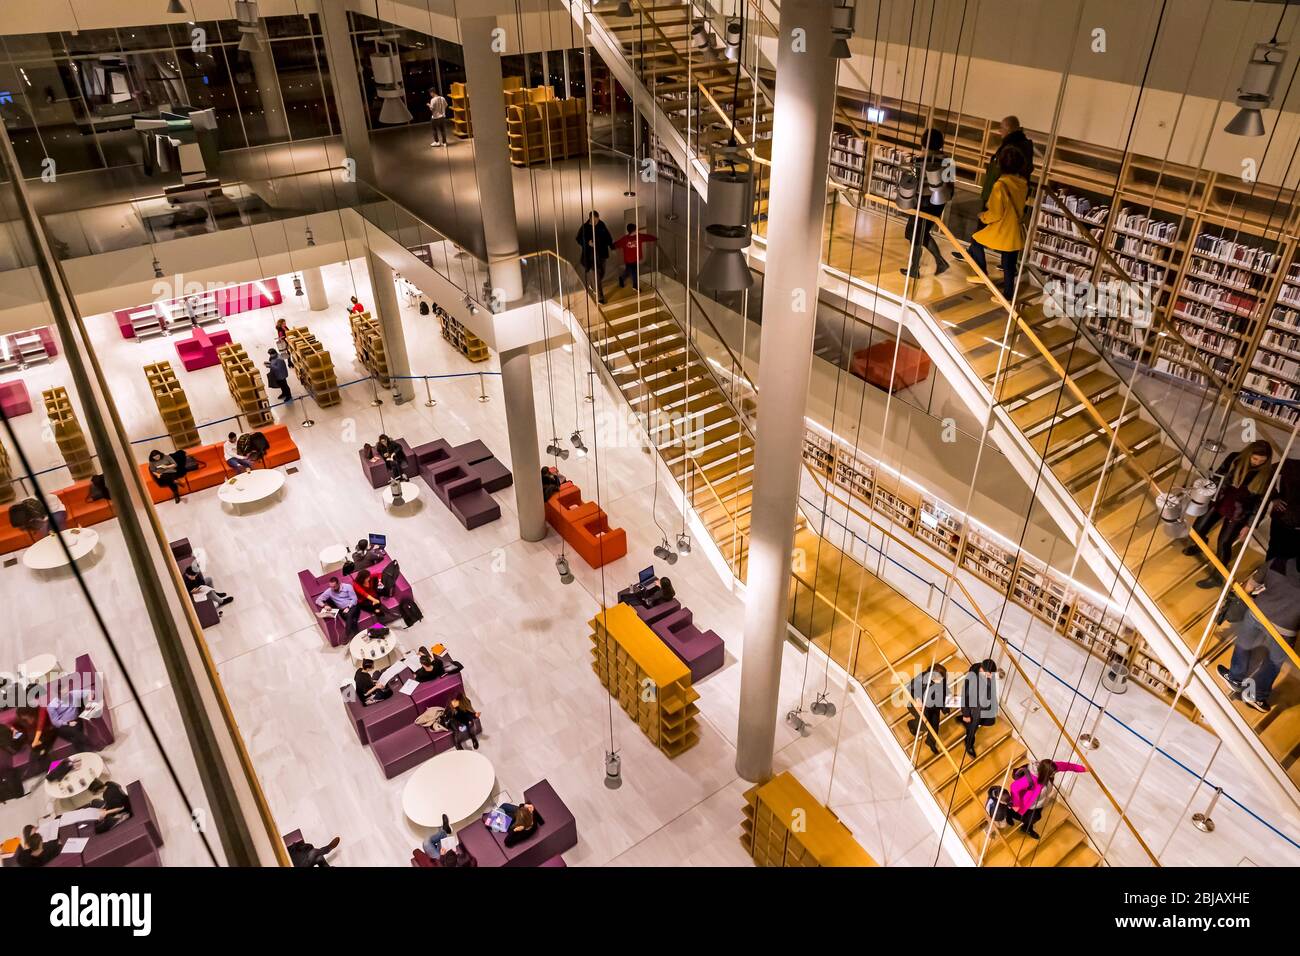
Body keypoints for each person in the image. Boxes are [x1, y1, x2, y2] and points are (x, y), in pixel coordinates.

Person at [1184, 440, 1275, 588]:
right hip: (1220, 500)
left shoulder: (1266, 474)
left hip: (1240, 512)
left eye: (1261, 461)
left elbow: (1261, 503)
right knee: (1198, 527)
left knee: (1224, 543)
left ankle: (1217, 576)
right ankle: (1200, 544)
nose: (1257, 463)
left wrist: (1249, 525)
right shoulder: (1235, 458)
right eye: (1254, 459)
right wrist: (1206, 495)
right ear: (1249, 454)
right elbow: (1217, 477)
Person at [1217, 556, 1300, 713]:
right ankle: (1257, 695)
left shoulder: (1278, 562)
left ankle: (1236, 678)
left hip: (1258, 613)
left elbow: (1248, 587)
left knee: (1244, 643)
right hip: (1286, 629)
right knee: (1273, 663)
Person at [961, 145, 1029, 302]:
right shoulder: (1023, 183)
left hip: (1001, 227)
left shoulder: (1000, 185)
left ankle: (982, 273)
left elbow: (996, 213)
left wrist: (983, 216)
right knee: (1009, 262)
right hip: (1014, 229)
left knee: (976, 240)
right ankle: (1008, 294)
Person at [900, 128, 952, 279]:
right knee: (917, 232)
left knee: (914, 232)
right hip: (938, 202)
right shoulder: (948, 161)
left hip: (923, 202)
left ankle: (920, 267)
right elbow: (950, 186)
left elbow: (913, 183)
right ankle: (924, 265)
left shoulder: (920, 161)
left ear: (924, 142)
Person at [1008, 758, 1086, 839]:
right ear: (1045, 772)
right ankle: (1011, 814)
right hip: (1028, 803)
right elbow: (1014, 787)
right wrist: (1015, 803)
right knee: (1032, 817)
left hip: (1039, 802)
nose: (1054, 774)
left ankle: (1025, 827)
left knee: (1034, 817)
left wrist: (1083, 769)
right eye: (1052, 773)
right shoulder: (1031, 778)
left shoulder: (1051, 767)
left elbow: (1067, 766)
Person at [978, 116, 1035, 213]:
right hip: (1012, 197)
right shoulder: (1024, 145)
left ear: (1008, 129)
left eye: (1001, 128)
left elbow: (1002, 169)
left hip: (1000, 196)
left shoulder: (1011, 148)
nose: (1000, 131)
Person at [958, 659, 998, 758]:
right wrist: (966, 714)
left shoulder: (986, 674)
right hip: (974, 708)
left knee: (975, 724)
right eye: (989, 674)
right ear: (981, 670)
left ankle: (965, 722)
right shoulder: (972, 679)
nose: (990, 676)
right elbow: (965, 697)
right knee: (972, 728)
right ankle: (969, 745)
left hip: (982, 705)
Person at [906, 662, 948, 757]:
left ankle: (931, 742)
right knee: (925, 725)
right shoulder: (921, 678)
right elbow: (909, 688)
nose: (942, 680)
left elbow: (944, 693)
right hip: (919, 705)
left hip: (933, 705)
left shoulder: (941, 680)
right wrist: (917, 699)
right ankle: (912, 724)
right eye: (940, 678)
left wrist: (945, 705)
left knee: (934, 725)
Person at [1266, 457, 1300, 564]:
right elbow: (1267, 472)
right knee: (1273, 554)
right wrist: (1273, 496)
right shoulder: (1292, 464)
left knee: (1291, 563)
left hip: (1296, 526)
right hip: (1282, 518)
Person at [576, 211, 614, 304]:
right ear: (590, 219)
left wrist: (611, 245)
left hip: (602, 254)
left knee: (602, 273)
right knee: (596, 276)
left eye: (597, 219)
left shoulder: (601, 224)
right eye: (594, 220)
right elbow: (578, 238)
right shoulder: (584, 227)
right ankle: (600, 297)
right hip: (590, 257)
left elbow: (608, 236)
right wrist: (587, 243)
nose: (596, 222)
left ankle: (593, 286)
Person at [46, 686, 95, 751]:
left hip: (76, 720)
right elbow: (55, 722)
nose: (68, 695)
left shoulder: (72, 694)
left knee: (75, 739)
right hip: (62, 726)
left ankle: (83, 753)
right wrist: (68, 723)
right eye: (65, 694)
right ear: (58, 695)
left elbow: (90, 692)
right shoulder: (52, 705)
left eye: (67, 692)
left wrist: (89, 702)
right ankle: (91, 746)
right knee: (76, 734)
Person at [613, 223, 657, 290]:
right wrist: (611, 246)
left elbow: (647, 237)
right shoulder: (625, 239)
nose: (637, 230)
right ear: (633, 231)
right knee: (634, 272)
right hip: (628, 260)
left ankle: (621, 278)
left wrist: (655, 238)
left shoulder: (639, 236)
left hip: (635, 258)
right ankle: (635, 286)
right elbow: (616, 244)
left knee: (628, 271)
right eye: (636, 229)